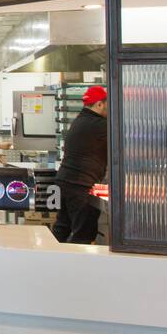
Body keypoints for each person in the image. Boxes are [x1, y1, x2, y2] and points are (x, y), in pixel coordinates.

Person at [52, 85, 109, 244]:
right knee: (83, 235)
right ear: (99, 104)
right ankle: (77, 267)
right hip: (80, 186)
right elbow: (124, 142)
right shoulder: (99, 125)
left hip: (64, 183)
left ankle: (51, 263)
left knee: (62, 228)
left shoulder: (81, 120)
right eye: (107, 105)